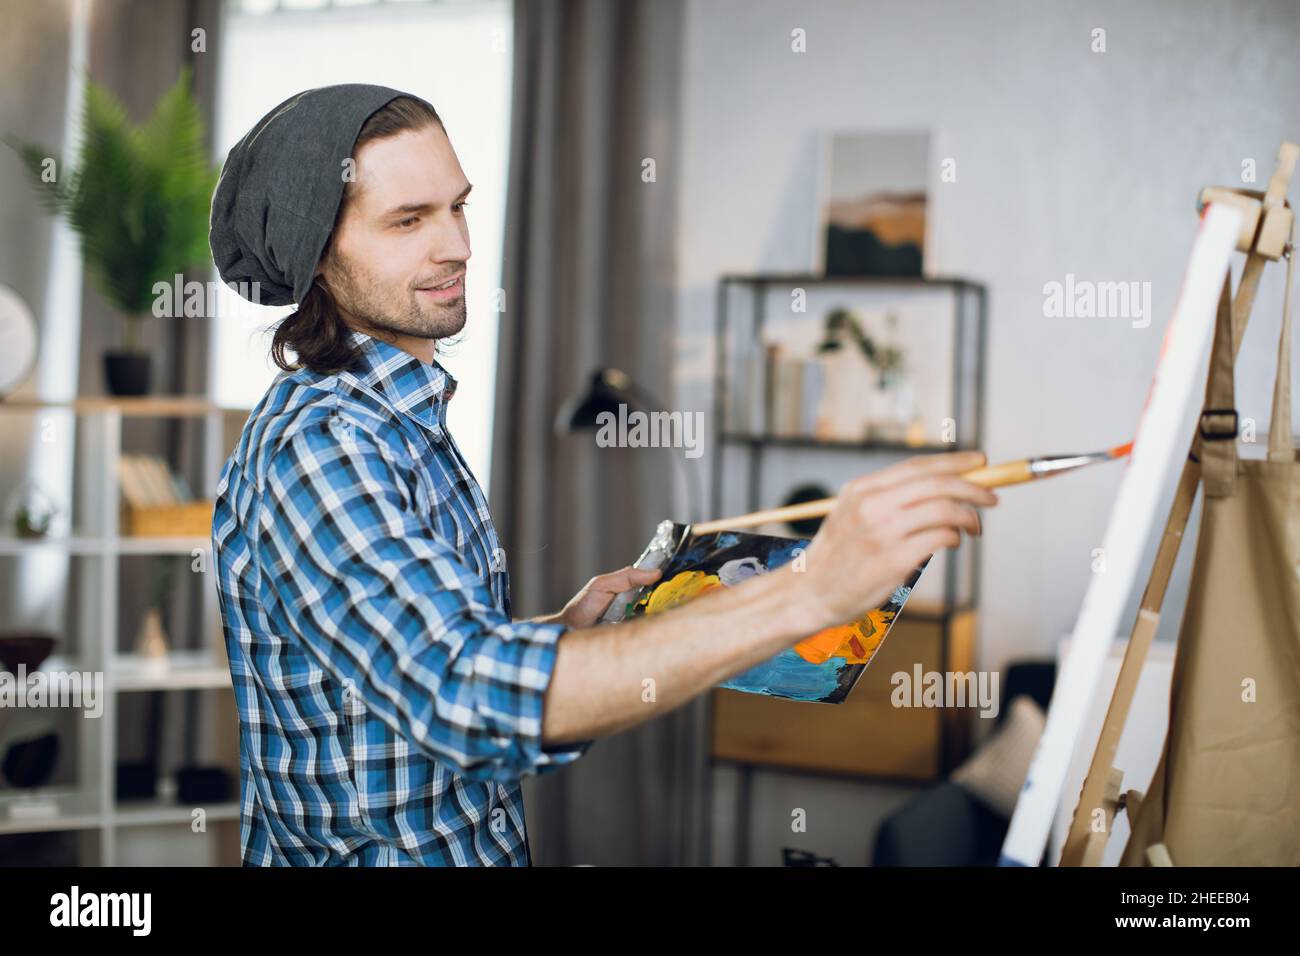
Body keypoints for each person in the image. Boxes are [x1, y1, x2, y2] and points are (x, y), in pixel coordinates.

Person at [208, 84, 997, 866]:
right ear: (317, 256)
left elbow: (401, 675)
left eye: (458, 207)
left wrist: (560, 632)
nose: (458, 246)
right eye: (408, 221)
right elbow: (466, 699)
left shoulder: (400, 422)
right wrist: (809, 591)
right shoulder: (323, 446)